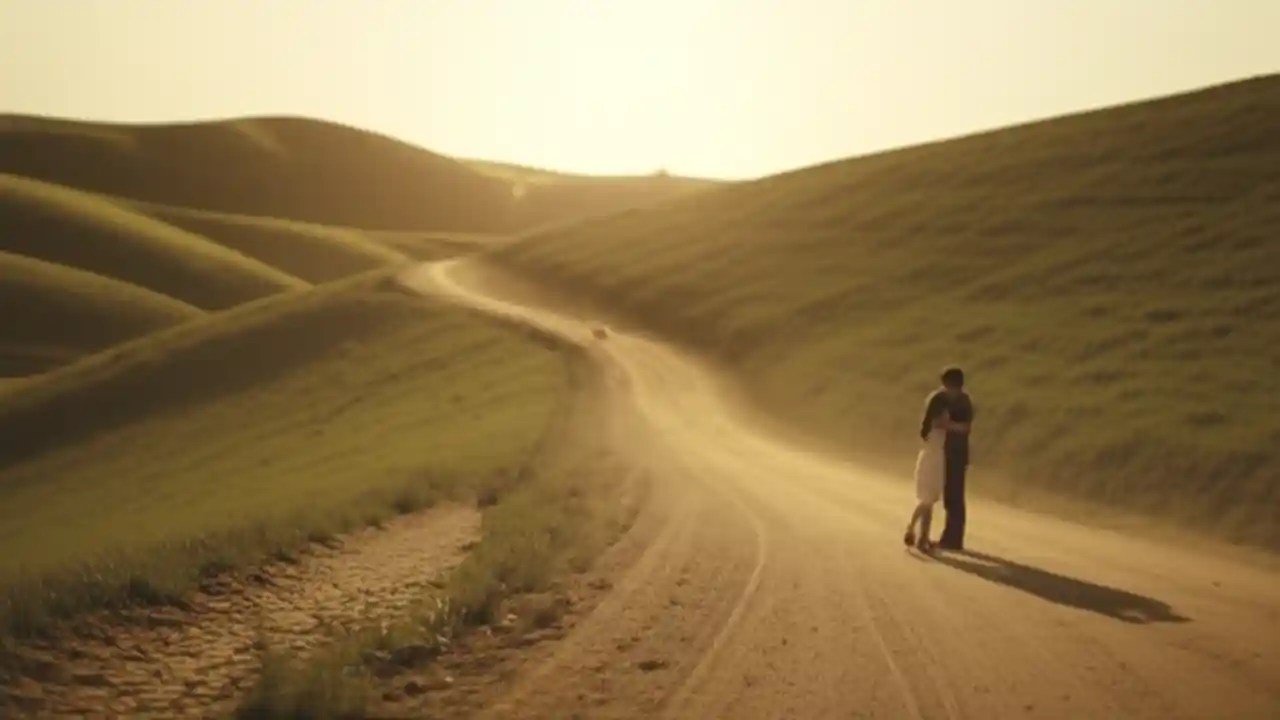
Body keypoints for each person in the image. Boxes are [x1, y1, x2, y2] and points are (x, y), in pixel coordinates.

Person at [903, 386, 952, 552]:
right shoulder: (940, 421)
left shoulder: (928, 421)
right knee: (927, 501)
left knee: (927, 502)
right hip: (934, 461)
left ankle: (923, 537)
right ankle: (912, 528)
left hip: (929, 459)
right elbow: (955, 427)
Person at [937, 367, 974, 550]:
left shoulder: (963, 402)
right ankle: (949, 536)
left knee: (955, 497)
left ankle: (954, 539)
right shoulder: (950, 401)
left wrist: (946, 425)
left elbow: (965, 428)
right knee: (949, 497)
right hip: (948, 453)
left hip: (957, 454)